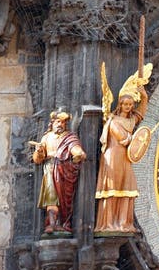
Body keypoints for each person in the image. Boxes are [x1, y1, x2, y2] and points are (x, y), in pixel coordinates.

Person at [94, 62, 152, 233]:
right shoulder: (112, 121)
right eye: (126, 104)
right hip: (113, 156)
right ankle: (108, 223)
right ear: (120, 104)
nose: (129, 107)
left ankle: (124, 222)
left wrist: (144, 97)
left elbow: (141, 114)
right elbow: (125, 139)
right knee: (112, 187)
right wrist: (136, 140)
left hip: (125, 158)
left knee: (127, 186)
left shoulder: (131, 120)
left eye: (131, 104)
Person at [31, 109, 86, 235]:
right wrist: (38, 151)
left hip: (65, 172)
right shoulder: (46, 137)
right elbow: (37, 160)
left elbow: (75, 149)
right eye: (57, 121)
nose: (60, 124)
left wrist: (79, 153)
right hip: (50, 170)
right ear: (52, 122)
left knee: (65, 201)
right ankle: (51, 224)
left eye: (63, 122)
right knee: (51, 198)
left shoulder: (69, 137)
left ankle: (63, 223)